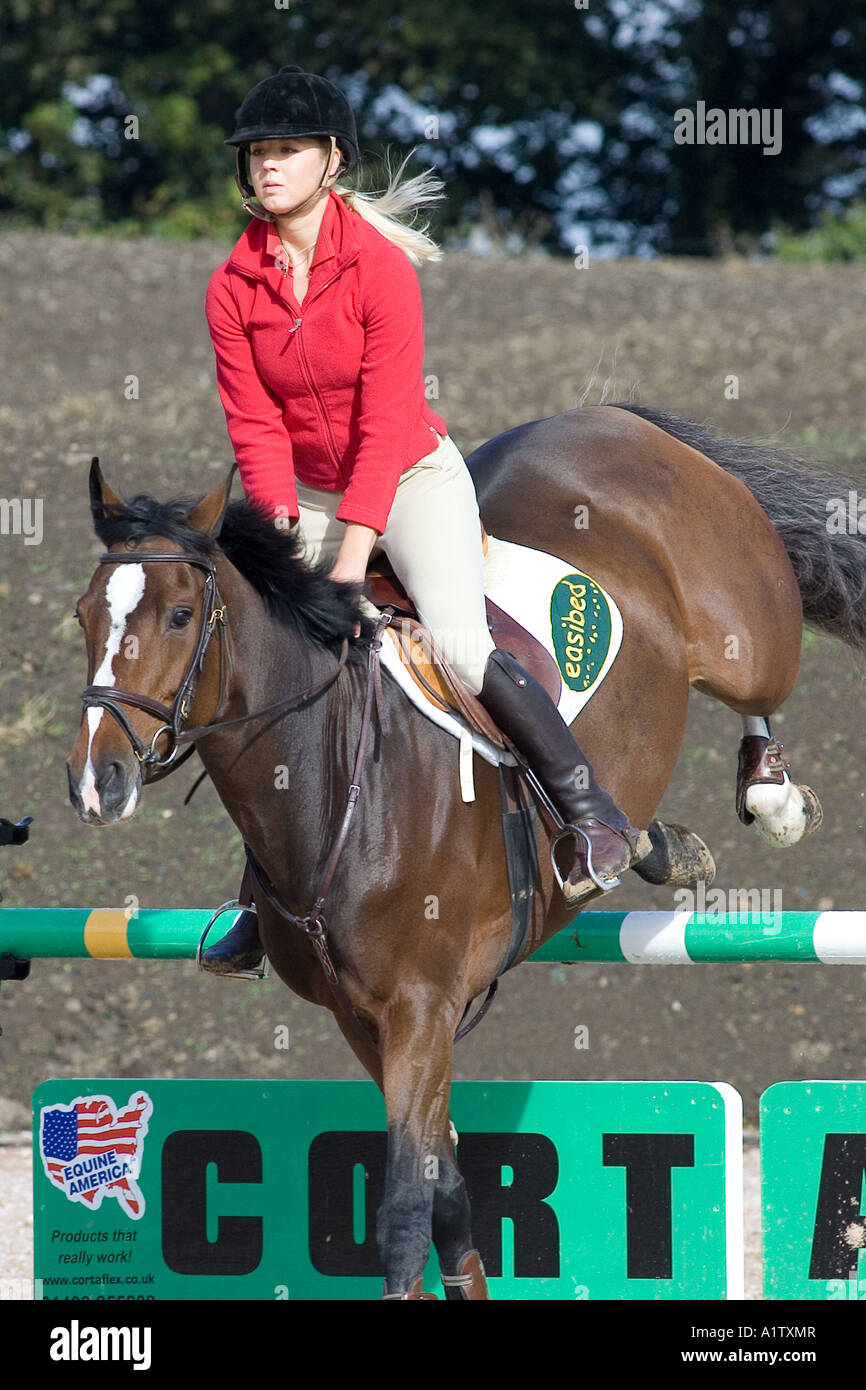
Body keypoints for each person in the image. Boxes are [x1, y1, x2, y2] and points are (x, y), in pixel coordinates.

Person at [201, 65, 639, 973]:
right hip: (306, 494)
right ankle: (261, 897)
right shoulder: (233, 288)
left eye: (286, 151)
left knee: (456, 646)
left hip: (407, 472)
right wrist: (284, 532)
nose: (267, 167)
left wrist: (348, 556)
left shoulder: (381, 270)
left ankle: (589, 811)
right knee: (271, 661)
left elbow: (384, 420)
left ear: (331, 161)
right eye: (257, 155)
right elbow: (254, 424)